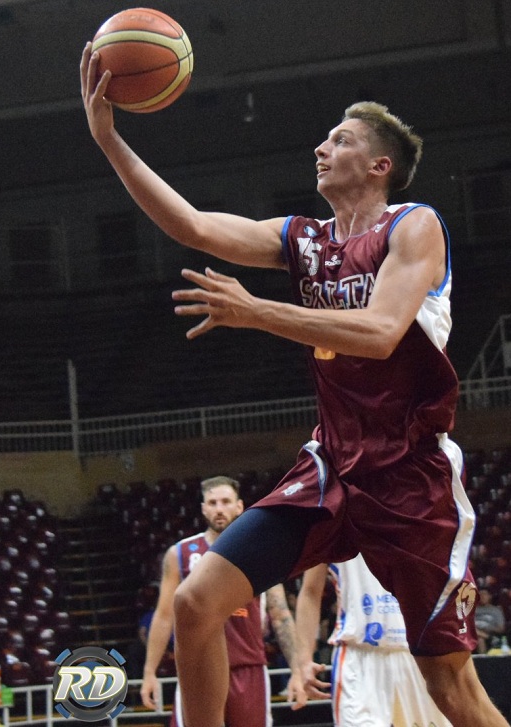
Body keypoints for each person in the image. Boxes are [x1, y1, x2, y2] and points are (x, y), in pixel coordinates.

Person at [80, 46, 508, 726]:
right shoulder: (303, 239)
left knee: (451, 689)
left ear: (378, 166)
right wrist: (109, 139)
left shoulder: (414, 225)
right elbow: (193, 226)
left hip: (409, 477)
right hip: (332, 465)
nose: (319, 147)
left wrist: (254, 311)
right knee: (195, 601)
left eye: (338, 139)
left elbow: (378, 332)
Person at [140, 476, 301, 726]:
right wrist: (150, 672)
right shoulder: (180, 553)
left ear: (239, 506)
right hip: (197, 671)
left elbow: (279, 614)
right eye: (212, 503)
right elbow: (163, 617)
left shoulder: (260, 552)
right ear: (203, 508)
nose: (219, 509)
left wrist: (297, 670)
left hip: (248, 668)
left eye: (225, 502)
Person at [295, 554, 451, 726]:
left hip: (419, 654)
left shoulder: (424, 528)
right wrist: (303, 660)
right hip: (358, 657)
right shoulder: (328, 527)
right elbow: (310, 591)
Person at [474, 588, 507, 654]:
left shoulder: (496, 610)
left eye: (484, 594)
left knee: (480, 638)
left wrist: (487, 627)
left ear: (489, 596)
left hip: (490, 632)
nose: (482, 596)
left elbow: (501, 629)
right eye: (480, 594)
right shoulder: (472, 610)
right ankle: (489, 638)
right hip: (473, 632)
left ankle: (483, 660)